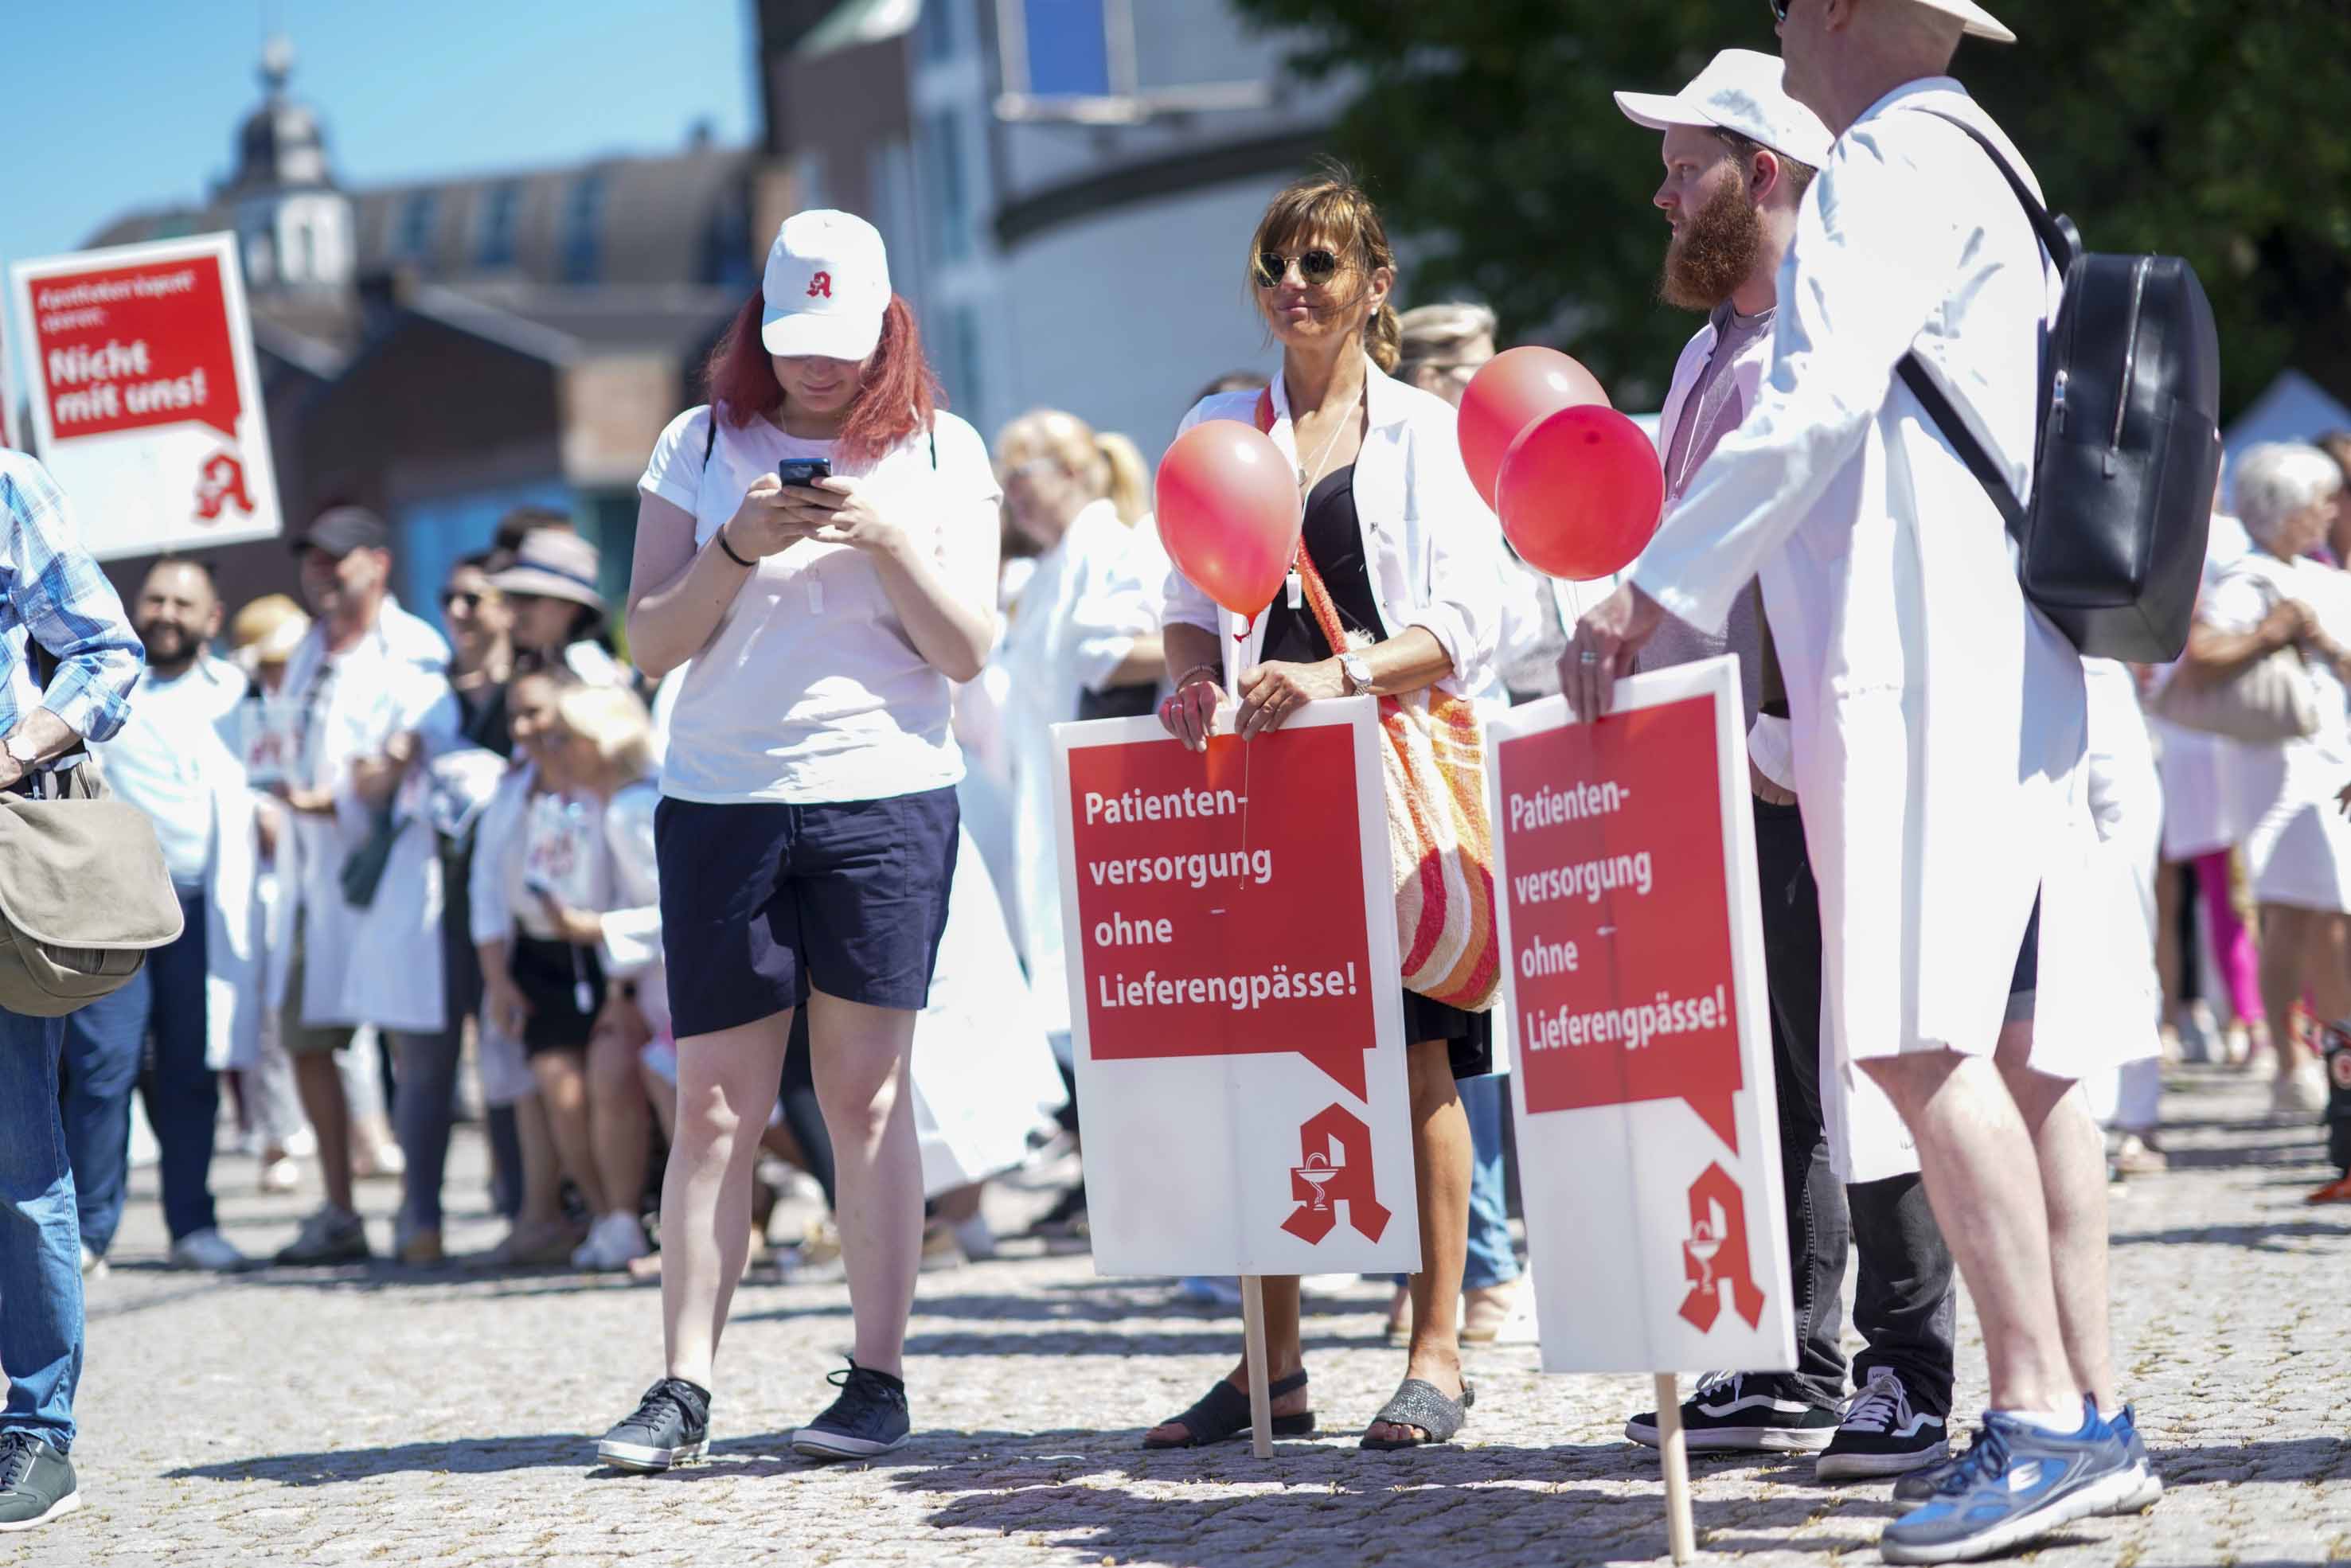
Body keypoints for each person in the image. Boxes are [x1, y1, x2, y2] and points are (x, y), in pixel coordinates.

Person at [1562, 4, 2158, 1558]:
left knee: (1910, 1036)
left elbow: (1810, 410)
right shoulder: (1984, 153)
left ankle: (2034, 1417)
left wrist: (1650, 587)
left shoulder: (1890, 159)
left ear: (1830, 13)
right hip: (2008, 659)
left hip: (1928, 673)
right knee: (2030, 1058)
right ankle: (2091, 1405)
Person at [1602, 48, 1960, 1483]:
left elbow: (1826, 565)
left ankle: (1905, 1367)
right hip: (1716, 764)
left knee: (1858, 1058)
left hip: (1808, 746)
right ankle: (1784, 1354)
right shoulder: (1703, 357)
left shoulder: (1828, 335)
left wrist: (1770, 724)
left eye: (1685, 167)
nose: (1659, 194)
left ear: (1760, 177)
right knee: (1761, 1070)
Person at [599, 208, 998, 1469]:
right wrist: (732, 545)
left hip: (885, 792)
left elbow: (968, 649)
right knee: (715, 1103)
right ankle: (682, 1389)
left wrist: (885, 536)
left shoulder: (941, 448)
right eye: (792, 339)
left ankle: (876, 1378)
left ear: (888, 324)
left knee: (867, 1096)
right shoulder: (700, 439)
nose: (814, 366)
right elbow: (647, 644)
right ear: (758, 330)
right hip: (722, 795)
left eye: (838, 340)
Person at [1149, 167, 1500, 1452]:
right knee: (1262, 1068)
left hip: (1388, 775)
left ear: (1372, 286)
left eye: (1319, 267)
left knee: (1415, 1060)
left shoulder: (1423, 433)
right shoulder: (1217, 434)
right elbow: (1188, 607)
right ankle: (1268, 1367)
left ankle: (1436, 1350)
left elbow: (1473, 619)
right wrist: (1193, 686)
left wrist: (1340, 672)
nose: (1292, 289)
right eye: (1273, 267)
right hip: (1259, 788)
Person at [0, 451, 143, 1532]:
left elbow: (104, 654)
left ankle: (39, 1431)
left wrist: (14, 747)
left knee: (15, 1158)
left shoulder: (7, 485)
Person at [1384, 302, 1527, 1345]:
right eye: (1434, 365)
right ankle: (1454, 1258)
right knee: (1428, 1031)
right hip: (1419, 766)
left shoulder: (1509, 466)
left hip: (1483, 771)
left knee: (1460, 1031)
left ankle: (1483, 1264)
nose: (1451, 384)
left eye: (1469, 367)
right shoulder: (1403, 463)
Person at [61, 558, 263, 1274]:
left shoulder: (240, 693)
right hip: (112, 906)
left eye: (185, 603)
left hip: (201, 908)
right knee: (103, 1065)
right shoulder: (96, 682)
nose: (167, 613)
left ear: (212, 618)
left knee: (189, 1069)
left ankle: (192, 1225)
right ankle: (88, 1234)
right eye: (156, 599)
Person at [269, 506, 458, 1266]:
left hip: (392, 873)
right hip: (315, 870)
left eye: (335, 560)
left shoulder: (413, 649)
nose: (320, 572)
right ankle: (340, 1208)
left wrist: (340, 796)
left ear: (377, 565)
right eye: (311, 559)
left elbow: (412, 756)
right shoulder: (306, 648)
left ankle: (419, 1209)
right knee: (307, 1035)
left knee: (410, 1043)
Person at [2179, 443, 2351, 1119]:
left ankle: (2325, 1057)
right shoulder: (2247, 578)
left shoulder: (2327, 577)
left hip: (2329, 754)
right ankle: (2300, 1059)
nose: (2331, 511)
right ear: (2286, 510)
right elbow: (2200, 656)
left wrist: (2324, 646)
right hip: (2273, 763)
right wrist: (2271, 632)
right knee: (2295, 912)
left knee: (2329, 912)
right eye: (2320, 500)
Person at [474, 670, 663, 1272]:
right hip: (544, 954)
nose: (532, 732)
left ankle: (628, 1216)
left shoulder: (610, 796)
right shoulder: (512, 792)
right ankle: (607, 1214)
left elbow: (632, 893)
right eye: (519, 719)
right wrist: (498, 978)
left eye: (545, 719)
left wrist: (614, 972)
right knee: (561, 1091)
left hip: (608, 957)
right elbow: (486, 890)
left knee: (615, 1083)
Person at [992, 408, 1161, 1067]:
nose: (1009, 493)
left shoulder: (1114, 548)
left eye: (1017, 474)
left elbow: (1130, 651)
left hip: (1107, 813)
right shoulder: (1046, 571)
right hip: (1051, 807)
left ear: (1067, 471)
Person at [224, 593, 314, 1195]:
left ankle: (367, 1131)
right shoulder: (244, 716)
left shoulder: (321, 698)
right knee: (269, 1014)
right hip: (262, 882)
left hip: (322, 873)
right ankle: (278, 1135)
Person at [493, 527, 626, 688]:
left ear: (571, 607)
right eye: (513, 596)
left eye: (529, 597)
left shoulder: (593, 673)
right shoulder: (516, 668)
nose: (516, 608)